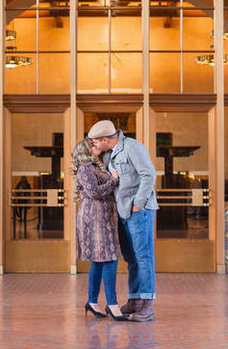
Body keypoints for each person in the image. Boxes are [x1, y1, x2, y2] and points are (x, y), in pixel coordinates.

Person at [87, 119, 158, 322]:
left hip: (139, 211)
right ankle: (135, 299)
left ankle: (147, 305)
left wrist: (138, 203)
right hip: (122, 212)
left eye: (95, 142)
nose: (94, 145)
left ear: (106, 139)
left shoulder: (133, 147)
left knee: (144, 257)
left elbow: (148, 174)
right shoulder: (108, 154)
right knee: (131, 258)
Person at [71, 138, 126, 321]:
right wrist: (114, 181)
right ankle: (112, 304)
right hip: (94, 218)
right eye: (92, 145)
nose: (96, 146)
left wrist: (111, 180)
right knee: (109, 258)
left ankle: (92, 302)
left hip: (101, 216)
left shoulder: (94, 166)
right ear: (85, 151)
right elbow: (94, 192)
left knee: (100, 260)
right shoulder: (85, 169)